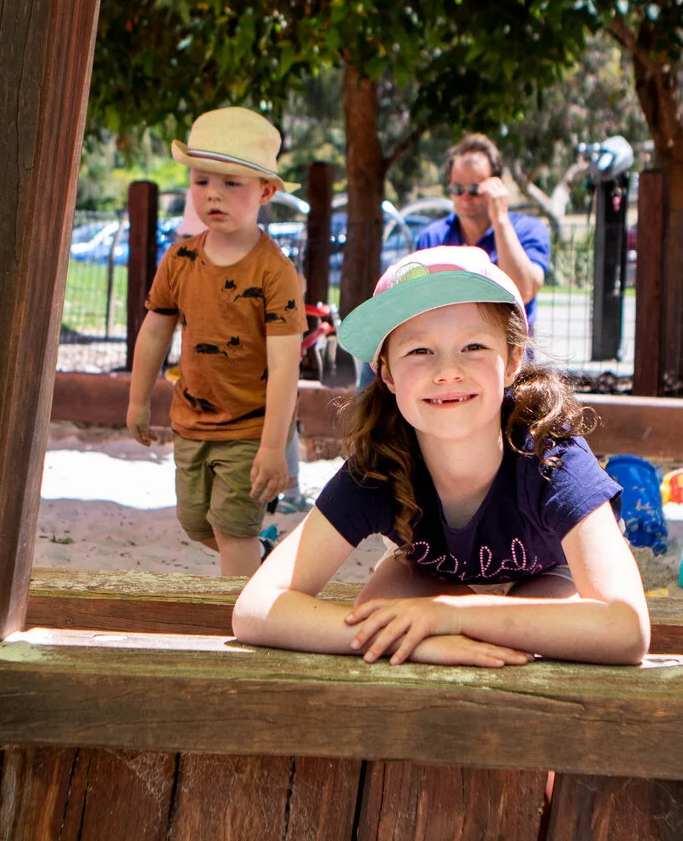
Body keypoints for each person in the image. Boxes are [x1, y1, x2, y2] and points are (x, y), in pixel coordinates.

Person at [234, 246, 649, 666]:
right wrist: (425, 639)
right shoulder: (382, 460)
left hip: (547, 576)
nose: (447, 371)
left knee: (541, 645)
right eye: (420, 351)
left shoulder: (548, 450)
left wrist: (452, 616)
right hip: (430, 578)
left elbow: (626, 627)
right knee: (386, 619)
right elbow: (256, 608)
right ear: (387, 373)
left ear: (512, 362)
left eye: (473, 346)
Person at [126, 107, 303, 579]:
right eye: (202, 181)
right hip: (192, 420)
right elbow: (155, 331)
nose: (213, 195)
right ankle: (262, 556)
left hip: (251, 429)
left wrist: (272, 448)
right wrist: (139, 400)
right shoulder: (179, 259)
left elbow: (286, 366)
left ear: (265, 191)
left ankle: (238, 626)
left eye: (231, 183)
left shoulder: (275, 272)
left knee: (232, 530)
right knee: (196, 522)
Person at [411, 133, 551, 324]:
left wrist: (500, 219)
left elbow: (523, 291)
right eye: (458, 190)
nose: (466, 197)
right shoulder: (432, 239)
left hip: (510, 351)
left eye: (475, 189)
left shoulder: (528, 230)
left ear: (497, 184)